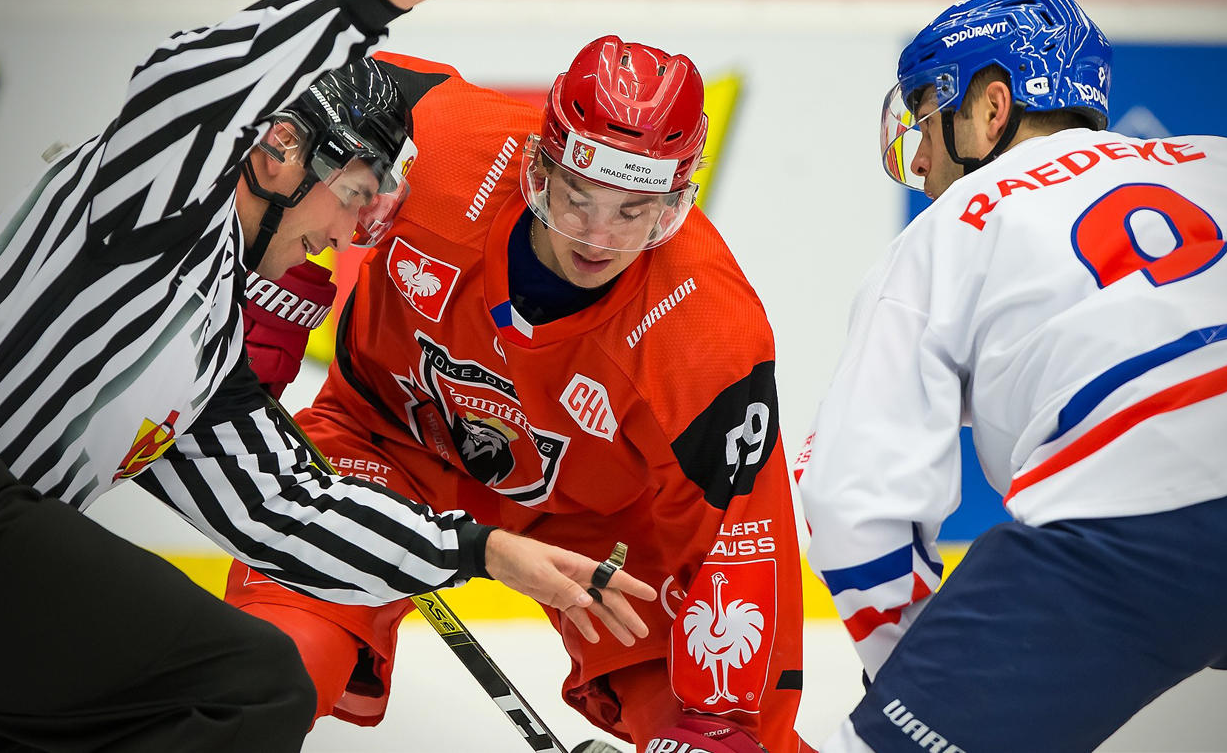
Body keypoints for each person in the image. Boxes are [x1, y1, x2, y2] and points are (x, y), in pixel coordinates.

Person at [0, 0, 654, 752]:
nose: (348, 236)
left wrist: (481, 554)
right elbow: (195, 83)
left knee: (38, 723)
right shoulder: (146, 203)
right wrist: (379, 0)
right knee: (248, 685)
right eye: (355, 192)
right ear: (278, 155)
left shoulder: (204, 347)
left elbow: (283, 505)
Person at [799, 0, 1227, 753]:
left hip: (1139, 521)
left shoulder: (945, 234)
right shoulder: (1222, 165)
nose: (922, 151)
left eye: (931, 113)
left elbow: (852, 496)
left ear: (993, 107)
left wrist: (914, 679)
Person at [229, 36, 809, 752]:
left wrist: (732, 728)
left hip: (594, 524)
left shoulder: (705, 327)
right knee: (272, 664)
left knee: (704, 720)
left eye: (635, 210)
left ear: (676, 198)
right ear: (540, 166)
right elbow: (288, 90)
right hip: (378, 444)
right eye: (578, 197)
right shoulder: (448, 147)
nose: (598, 237)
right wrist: (255, 293)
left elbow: (742, 543)